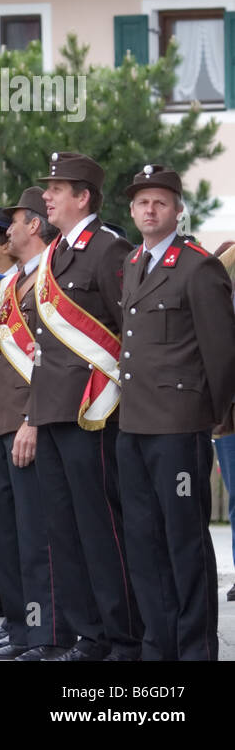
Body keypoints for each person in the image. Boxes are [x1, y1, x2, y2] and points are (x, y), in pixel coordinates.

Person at [117, 165, 235, 660]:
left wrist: (210, 415)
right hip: (134, 425)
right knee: (144, 544)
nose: (151, 209)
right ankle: (157, 646)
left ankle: (193, 649)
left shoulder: (197, 266)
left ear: (178, 209)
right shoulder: (130, 264)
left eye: (161, 202)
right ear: (131, 210)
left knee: (184, 542)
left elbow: (222, 353)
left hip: (178, 426)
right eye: (143, 202)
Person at [30, 151, 141, 661]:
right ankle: (88, 634)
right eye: (48, 187)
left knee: (101, 527)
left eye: (58, 188)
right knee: (65, 528)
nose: (47, 196)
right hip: (53, 408)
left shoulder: (110, 251)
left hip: (92, 411)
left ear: (84, 197)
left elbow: (128, 337)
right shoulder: (56, 253)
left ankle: (122, 635)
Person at [0, 187, 72, 659]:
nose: (5, 230)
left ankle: (46, 632)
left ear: (33, 225)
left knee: (37, 536)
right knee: (6, 536)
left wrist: (33, 419)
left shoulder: (52, 278)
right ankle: (17, 625)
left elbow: (52, 360)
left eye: (13, 220)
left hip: (27, 422)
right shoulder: (8, 283)